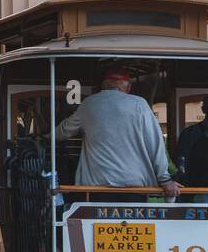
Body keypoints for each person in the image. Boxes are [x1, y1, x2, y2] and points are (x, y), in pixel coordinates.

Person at [57, 68, 181, 201]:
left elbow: (61, 133)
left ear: (103, 86)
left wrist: (42, 136)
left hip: (96, 187)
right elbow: (155, 144)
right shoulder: (139, 104)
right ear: (128, 88)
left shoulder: (89, 104)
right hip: (134, 186)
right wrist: (165, 180)